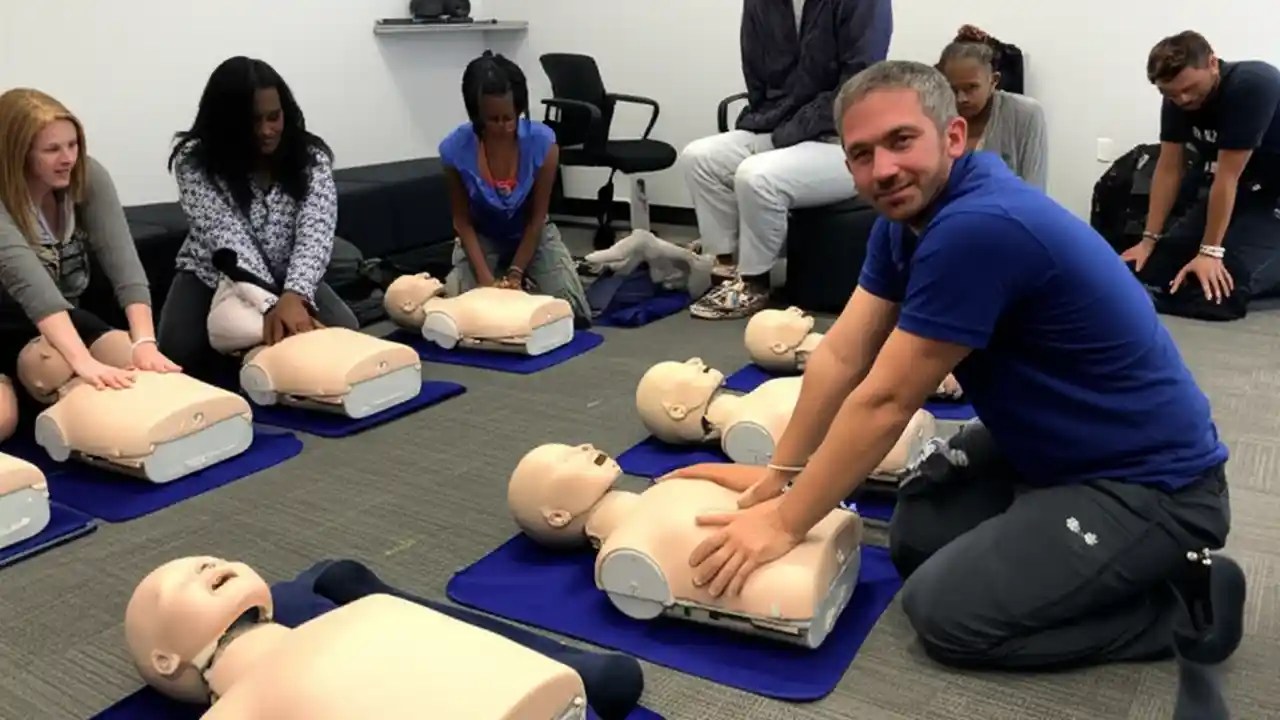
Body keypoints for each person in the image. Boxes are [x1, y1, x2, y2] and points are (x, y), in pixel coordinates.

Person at [668, 60, 1246, 673]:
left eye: (900, 141)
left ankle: (1181, 602)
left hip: (1152, 484)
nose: (882, 169)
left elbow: (885, 402)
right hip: (1053, 453)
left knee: (947, 613)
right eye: (862, 155)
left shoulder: (978, 227)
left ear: (953, 137)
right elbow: (842, 353)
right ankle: (1070, 548)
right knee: (916, 538)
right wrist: (778, 476)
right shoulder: (908, 220)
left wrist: (784, 523)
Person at [682, 0, 893, 321]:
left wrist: (794, 129)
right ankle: (724, 267)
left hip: (845, 138)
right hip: (782, 125)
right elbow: (754, 72)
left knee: (756, 175)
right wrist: (771, 122)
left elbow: (859, 82)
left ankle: (754, 281)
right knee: (700, 157)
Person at [158, 56, 359, 382]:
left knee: (346, 333)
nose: (267, 130)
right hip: (213, 273)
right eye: (253, 122)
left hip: (291, 273)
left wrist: (294, 296)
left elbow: (316, 231)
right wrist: (269, 306)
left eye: (274, 117)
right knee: (176, 352)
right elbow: (228, 240)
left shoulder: (311, 158)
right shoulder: (194, 161)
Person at [0, 88, 180, 422]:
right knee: (14, 407)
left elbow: (125, 266)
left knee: (142, 369)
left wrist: (144, 342)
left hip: (66, 321)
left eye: (73, 144)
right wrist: (83, 362)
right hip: (7, 328)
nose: (68, 157)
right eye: (52, 149)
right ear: (18, 154)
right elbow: (33, 289)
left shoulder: (86, 175)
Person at [1121, 31, 1280, 321]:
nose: (1182, 99)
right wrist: (1149, 240)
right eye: (1170, 94)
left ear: (1213, 63)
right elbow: (1169, 168)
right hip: (1246, 187)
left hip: (1271, 192)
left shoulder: (1253, 85)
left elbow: (1227, 176)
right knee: (1148, 272)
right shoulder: (1176, 98)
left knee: (1218, 293)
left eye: (1190, 89)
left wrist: (1210, 251)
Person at [439, 51, 590, 324]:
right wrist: (486, 282)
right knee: (462, 311)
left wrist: (516, 274)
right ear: (477, 115)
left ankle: (533, 280)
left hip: (530, 231)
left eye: (509, 118)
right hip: (482, 235)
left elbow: (537, 218)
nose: (502, 127)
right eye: (492, 119)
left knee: (570, 311)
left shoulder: (543, 143)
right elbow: (462, 222)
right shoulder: (454, 149)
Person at [937, 27, 1048, 190]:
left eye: (971, 88)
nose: (961, 98)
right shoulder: (937, 115)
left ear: (994, 81)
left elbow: (1035, 190)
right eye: (953, 89)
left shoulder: (1026, 114)